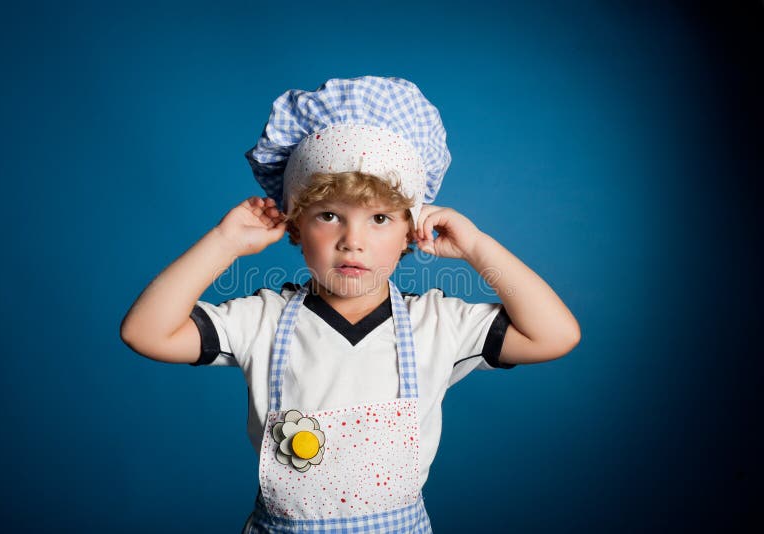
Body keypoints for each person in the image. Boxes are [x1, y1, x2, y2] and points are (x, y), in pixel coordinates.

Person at [120, 75, 580, 532]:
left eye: (379, 218)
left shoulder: (439, 323)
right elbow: (145, 332)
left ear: (410, 232)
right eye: (329, 215)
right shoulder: (261, 320)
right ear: (296, 226)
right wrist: (224, 242)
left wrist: (478, 247)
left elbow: (555, 335)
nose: (352, 241)